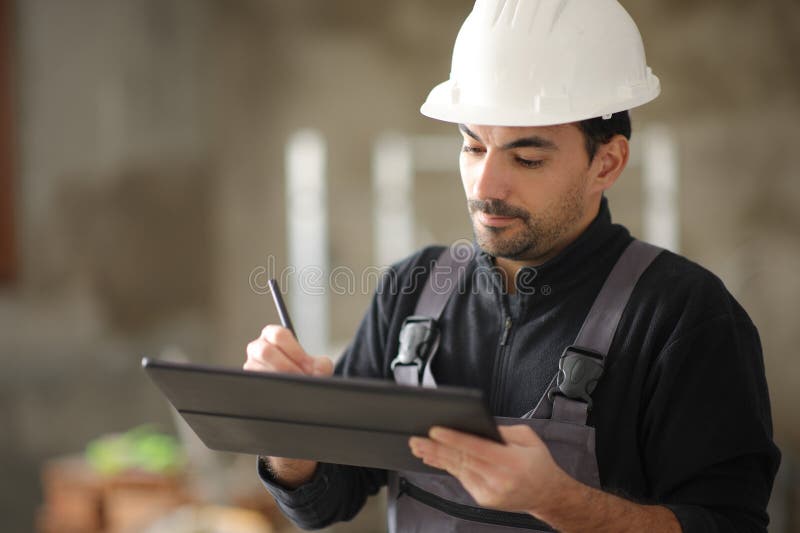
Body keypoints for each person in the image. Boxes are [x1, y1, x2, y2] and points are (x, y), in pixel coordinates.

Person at [244, 1, 780, 531]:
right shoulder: (410, 292)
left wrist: (561, 501)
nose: (485, 186)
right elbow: (325, 500)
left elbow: (728, 523)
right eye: (473, 147)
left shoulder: (686, 317)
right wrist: (289, 436)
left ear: (607, 162)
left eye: (527, 159)